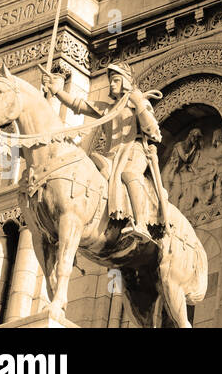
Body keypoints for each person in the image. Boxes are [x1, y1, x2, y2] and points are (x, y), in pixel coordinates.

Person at [41, 63, 163, 242]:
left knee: (129, 174)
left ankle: (142, 224)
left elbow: (153, 131)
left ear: (126, 82)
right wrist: (58, 91)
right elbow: (79, 104)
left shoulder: (140, 101)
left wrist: (138, 104)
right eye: (110, 81)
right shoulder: (108, 109)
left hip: (134, 151)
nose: (111, 85)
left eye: (116, 80)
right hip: (111, 154)